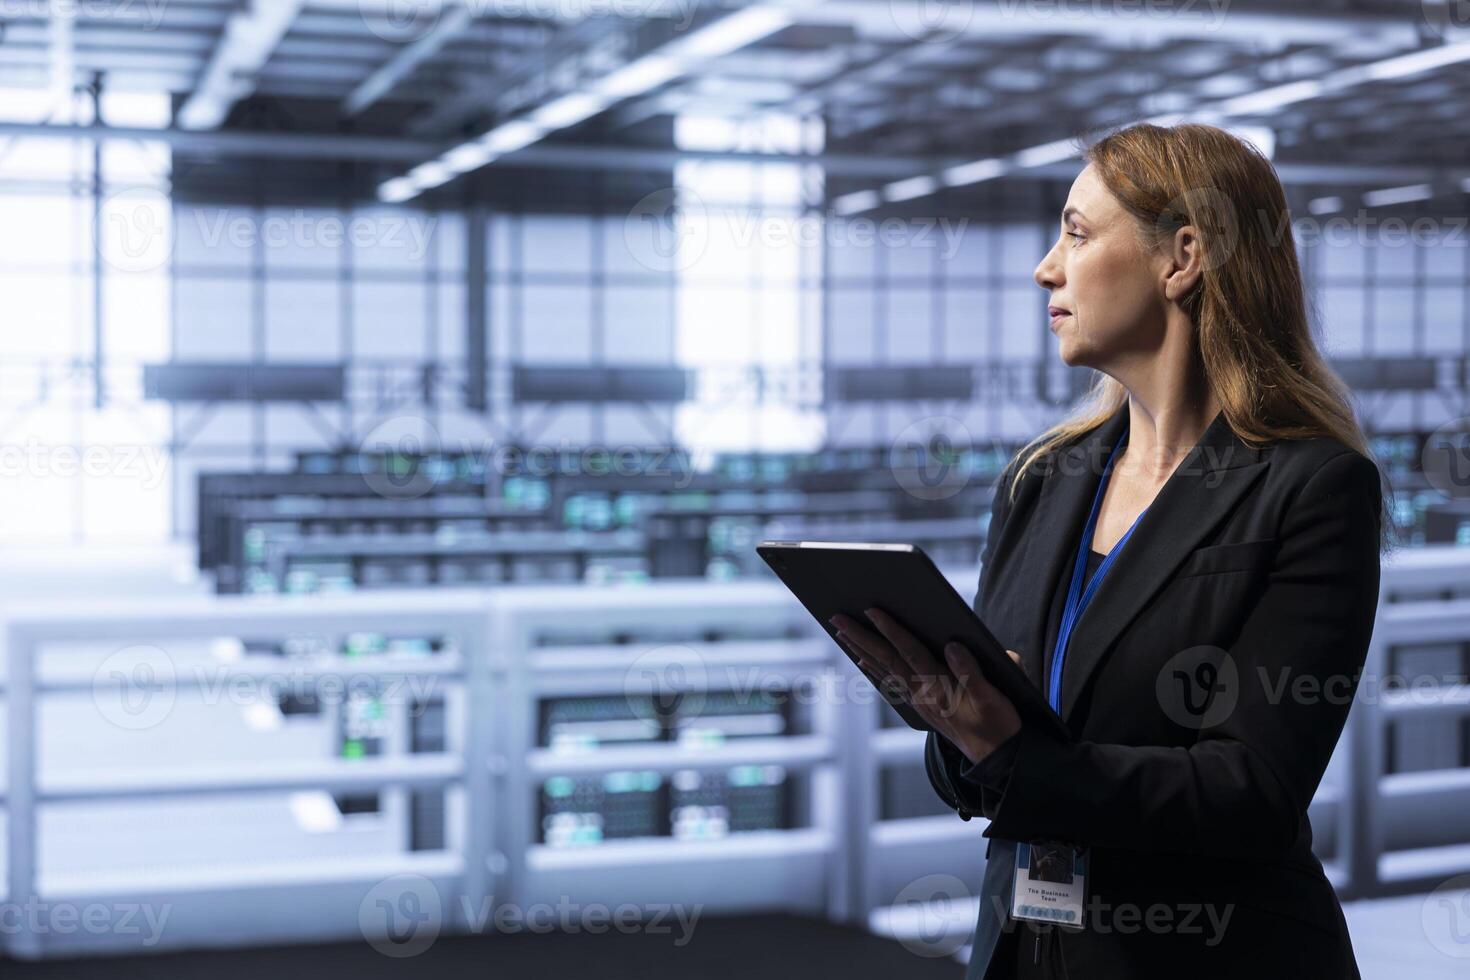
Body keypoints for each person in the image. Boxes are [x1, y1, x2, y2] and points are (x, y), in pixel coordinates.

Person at [830, 121, 1394, 979]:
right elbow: (983, 761)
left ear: (1183, 259)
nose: (1046, 267)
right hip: (1025, 949)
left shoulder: (1312, 488)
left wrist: (1015, 752)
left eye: (1077, 232)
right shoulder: (1043, 478)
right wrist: (959, 727)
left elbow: (1249, 794)